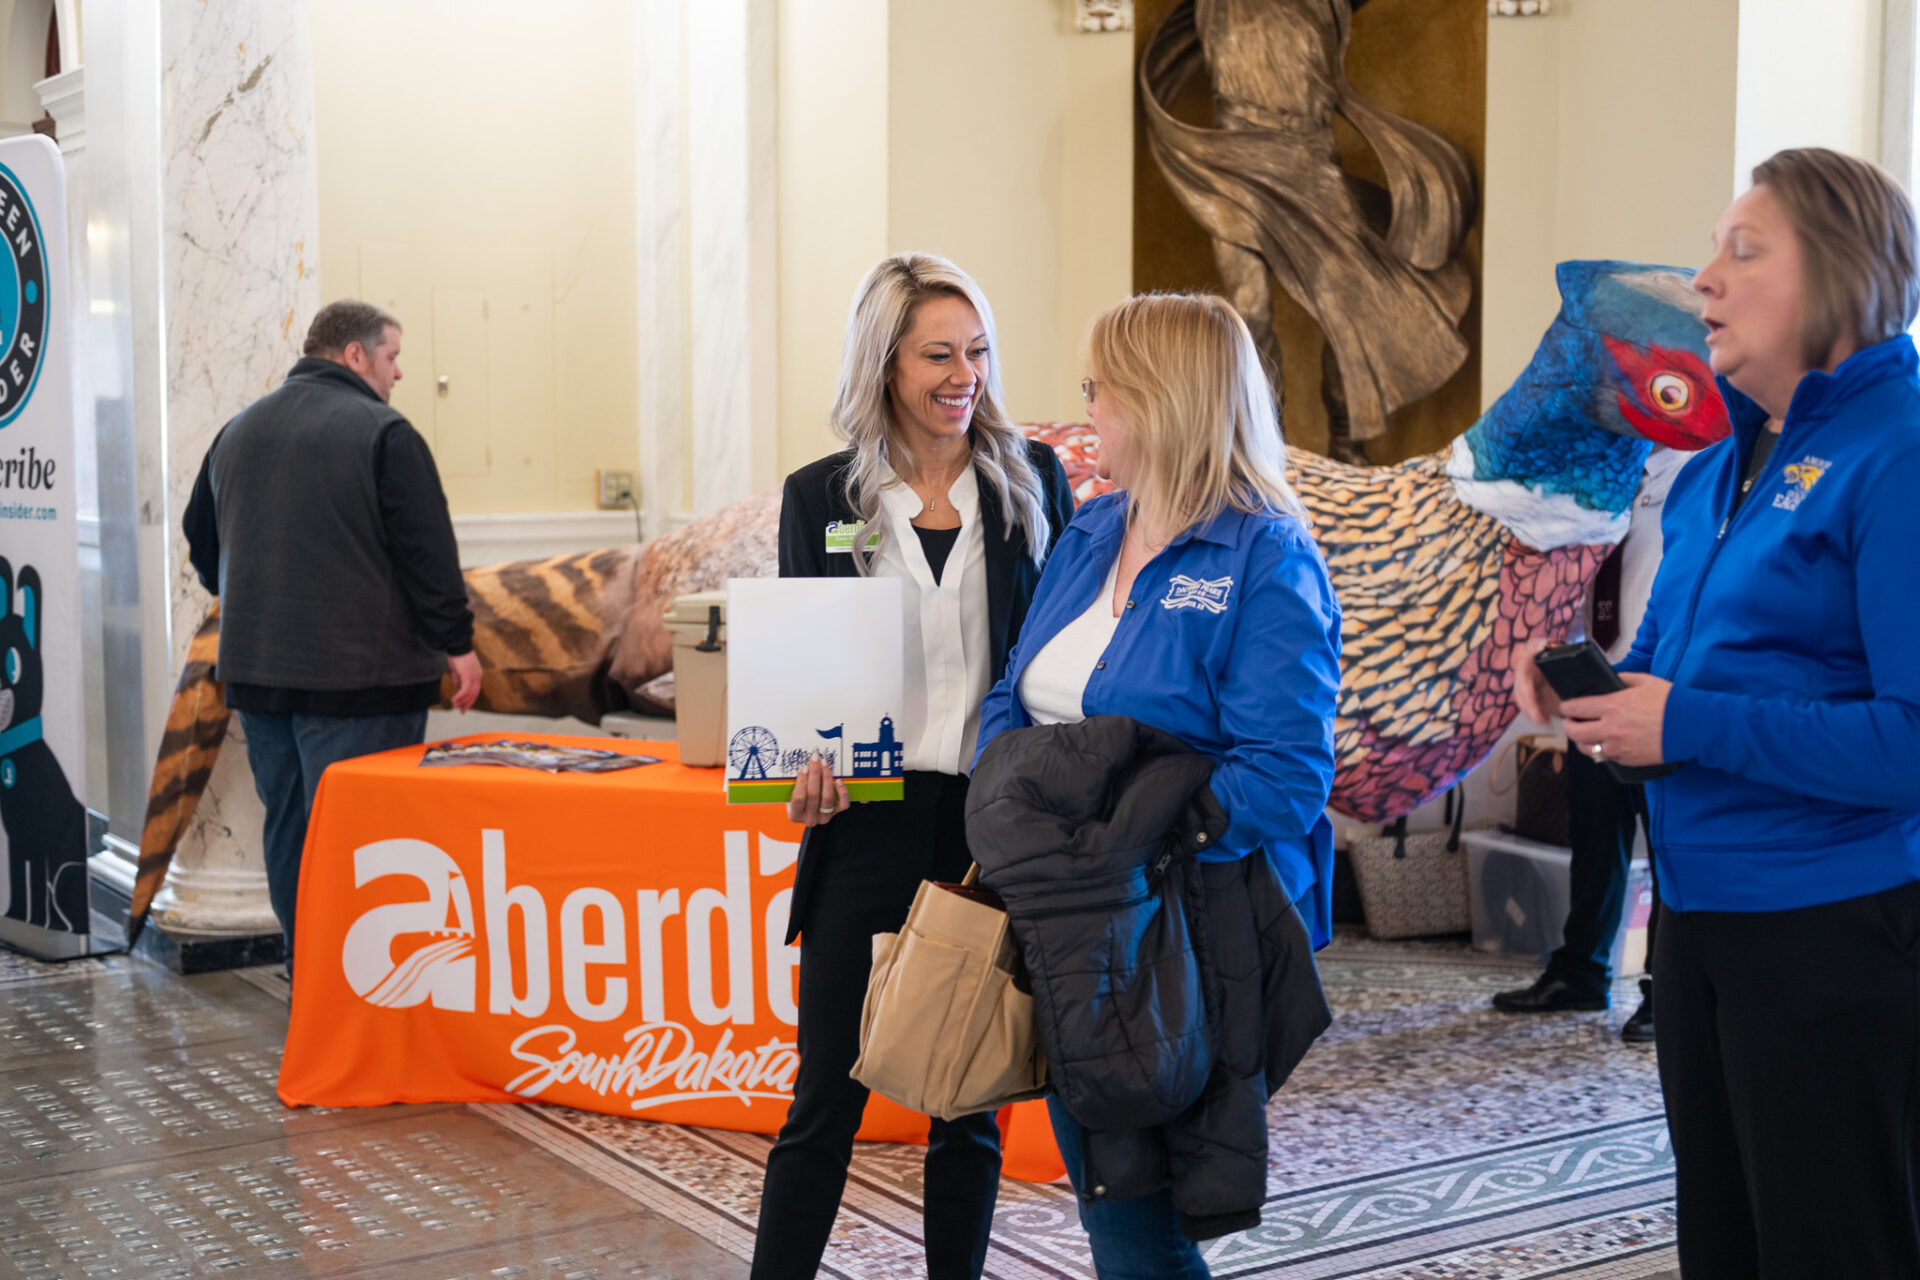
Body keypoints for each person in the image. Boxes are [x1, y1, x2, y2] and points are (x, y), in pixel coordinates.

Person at [1512, 148, 1920, 1276]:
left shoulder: (1900, 453)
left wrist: (1682, 723)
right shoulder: (1712, 466)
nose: (1704, 282)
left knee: (1833, 1241)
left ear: (1841, 274)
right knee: (1727, 1240)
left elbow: (1912, 742)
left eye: (1744, 252)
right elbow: (1662, 668)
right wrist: (1588, 693)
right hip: (1696, 924)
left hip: (1833, 929)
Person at [974, 292, 1342, 1278]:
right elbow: (1012, 695)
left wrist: (1117, 850)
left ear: (1160, 400)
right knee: (1111, 1197)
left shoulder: (1266, 554)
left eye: (1101, 390)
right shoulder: (1094, 530)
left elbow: (1285, 778)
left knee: (1143, 1220)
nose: (1086, 408)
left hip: (1180, 932)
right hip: (1067, 916)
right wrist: (1017, 817)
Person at [751, 253, 1073, 1280]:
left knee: (967, 1093)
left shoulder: (1032, 481)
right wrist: (805, 757)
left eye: (976, 350)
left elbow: (1060, 647)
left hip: (992, 818)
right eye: (939, 353)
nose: (963, 374)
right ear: (885, 363)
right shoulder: (825, 496)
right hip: (870, 818)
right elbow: (807, 672)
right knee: (825, 1099)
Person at [183, 300, 481, 965]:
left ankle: (311, 980)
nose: (399, 372)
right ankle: (363, 999)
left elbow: (203, 545)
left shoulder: (236, 431)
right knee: (363, 840)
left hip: (258, 677)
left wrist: (259, 600)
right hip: (359, 682)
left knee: (291, 828)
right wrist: (458, 646)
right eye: (392, 356)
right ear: (354, 354)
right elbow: (427, 554)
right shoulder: (384, 433)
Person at [1497, 445, 1687, 1042]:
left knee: (1665, 851)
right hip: (1596, 679)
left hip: (1660, 688)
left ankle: (1664, 990)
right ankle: (1581, 970)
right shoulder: (1606, 470)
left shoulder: (1697, 467)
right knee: (1593, 838)